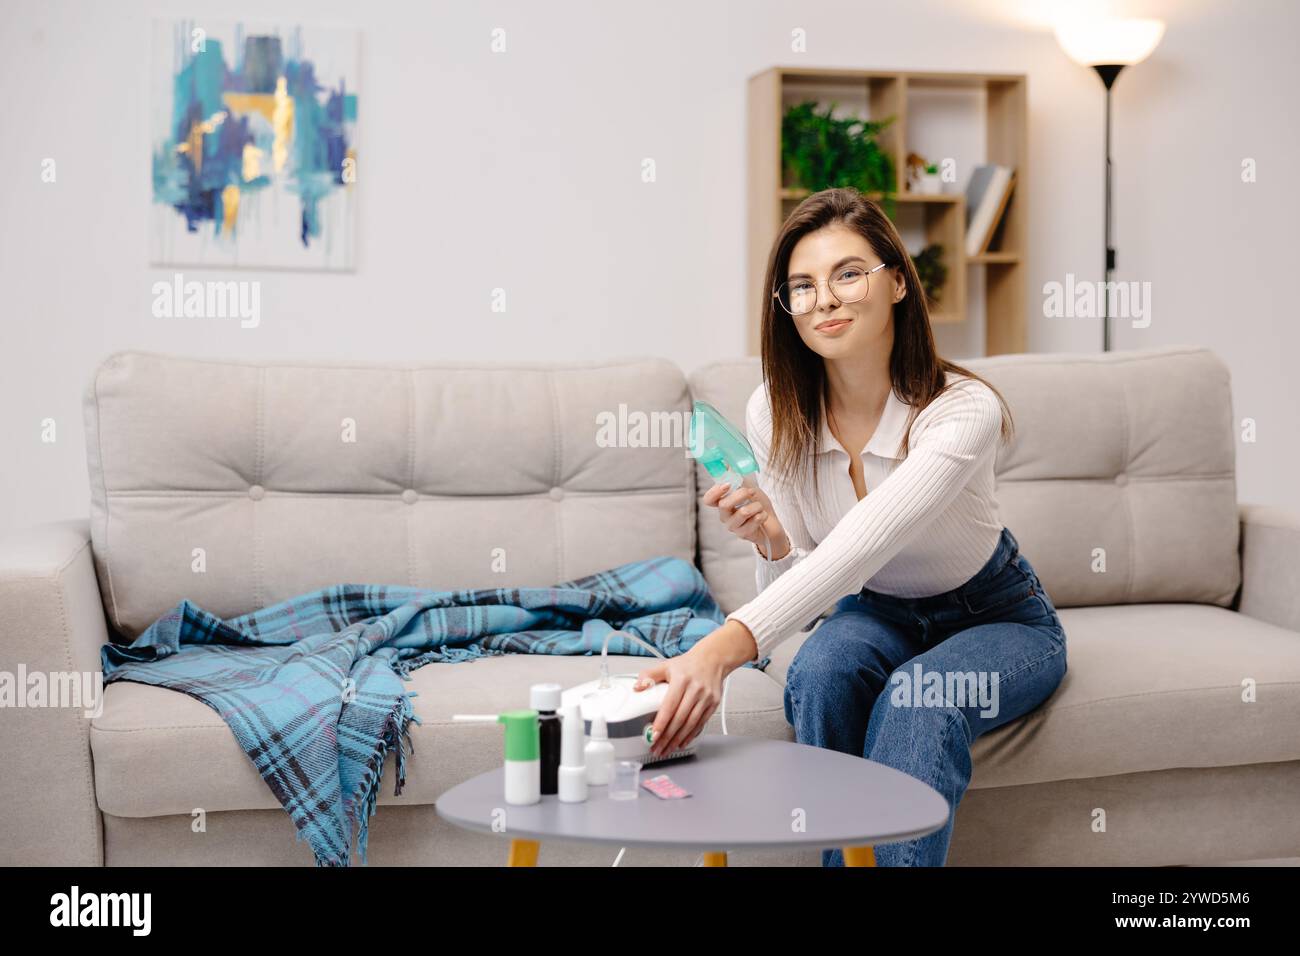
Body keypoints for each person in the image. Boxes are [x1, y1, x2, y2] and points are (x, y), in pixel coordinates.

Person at [635, 186, 1067, 866]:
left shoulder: (962, 410)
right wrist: (775, 541)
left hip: (996, 615)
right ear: (787, 308)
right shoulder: (775, 412)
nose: (824, 299)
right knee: (824, 672)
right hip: (880, 611)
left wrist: (721, 648)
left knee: (920, 700)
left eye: (847, 274)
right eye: (801, 286)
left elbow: (861, 543)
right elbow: (810, 572)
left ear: (897, 281)